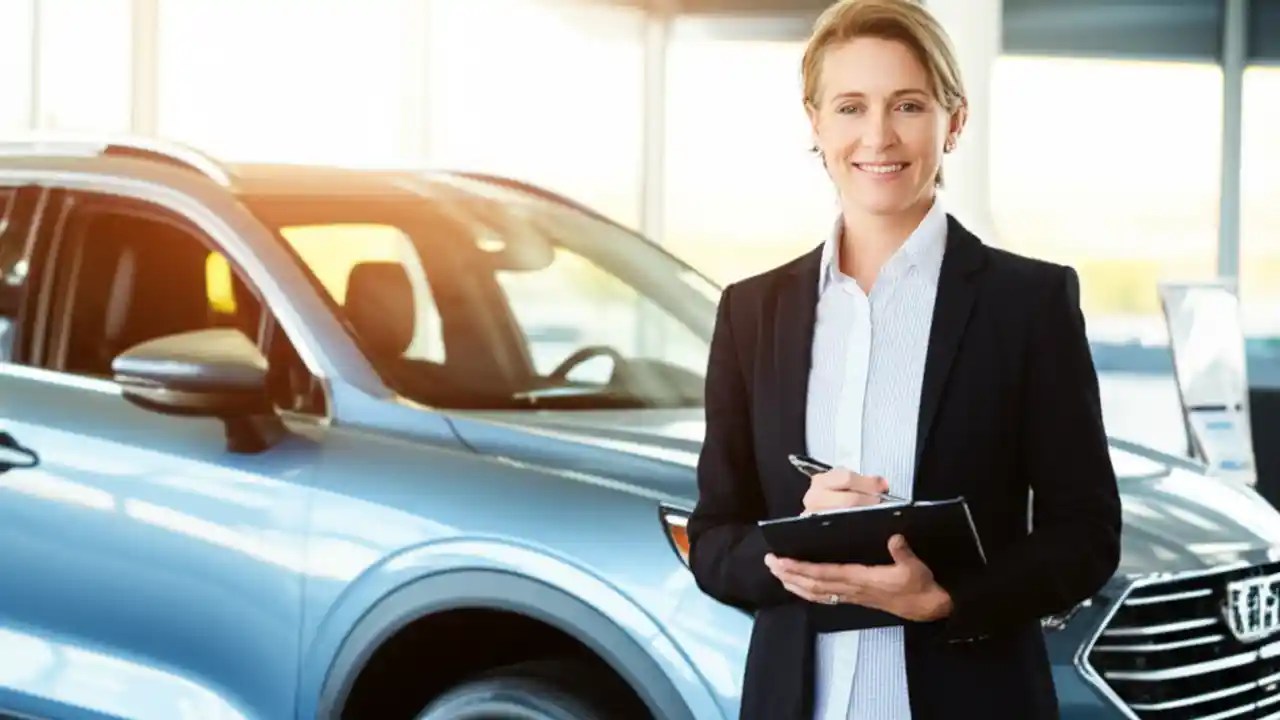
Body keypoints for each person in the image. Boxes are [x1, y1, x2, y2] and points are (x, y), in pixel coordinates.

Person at [685, 1, 1122, 718]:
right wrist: (791, 546)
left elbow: (1086, 535)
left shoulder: (1030, 303)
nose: (878, 136)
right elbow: (712, 541)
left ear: (954, 121)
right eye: (850, 106)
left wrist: (950, 599)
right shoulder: (751, 312)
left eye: (908, 105)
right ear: (816, 122)